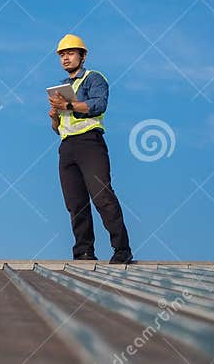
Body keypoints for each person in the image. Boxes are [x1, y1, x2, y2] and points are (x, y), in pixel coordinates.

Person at [48, 33, 134, 264]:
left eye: (70, 53)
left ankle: (122, 249)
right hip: (67, 147)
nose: (65, 58)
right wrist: (55, 116)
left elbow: (98, 104)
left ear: (82, 56)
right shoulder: (61, 87)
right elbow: (57, 128)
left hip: (90, 143)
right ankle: (84, 252)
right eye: (62, 55)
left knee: (102, 195)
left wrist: (68, 104)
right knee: (75, 203)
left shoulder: (93, 78)